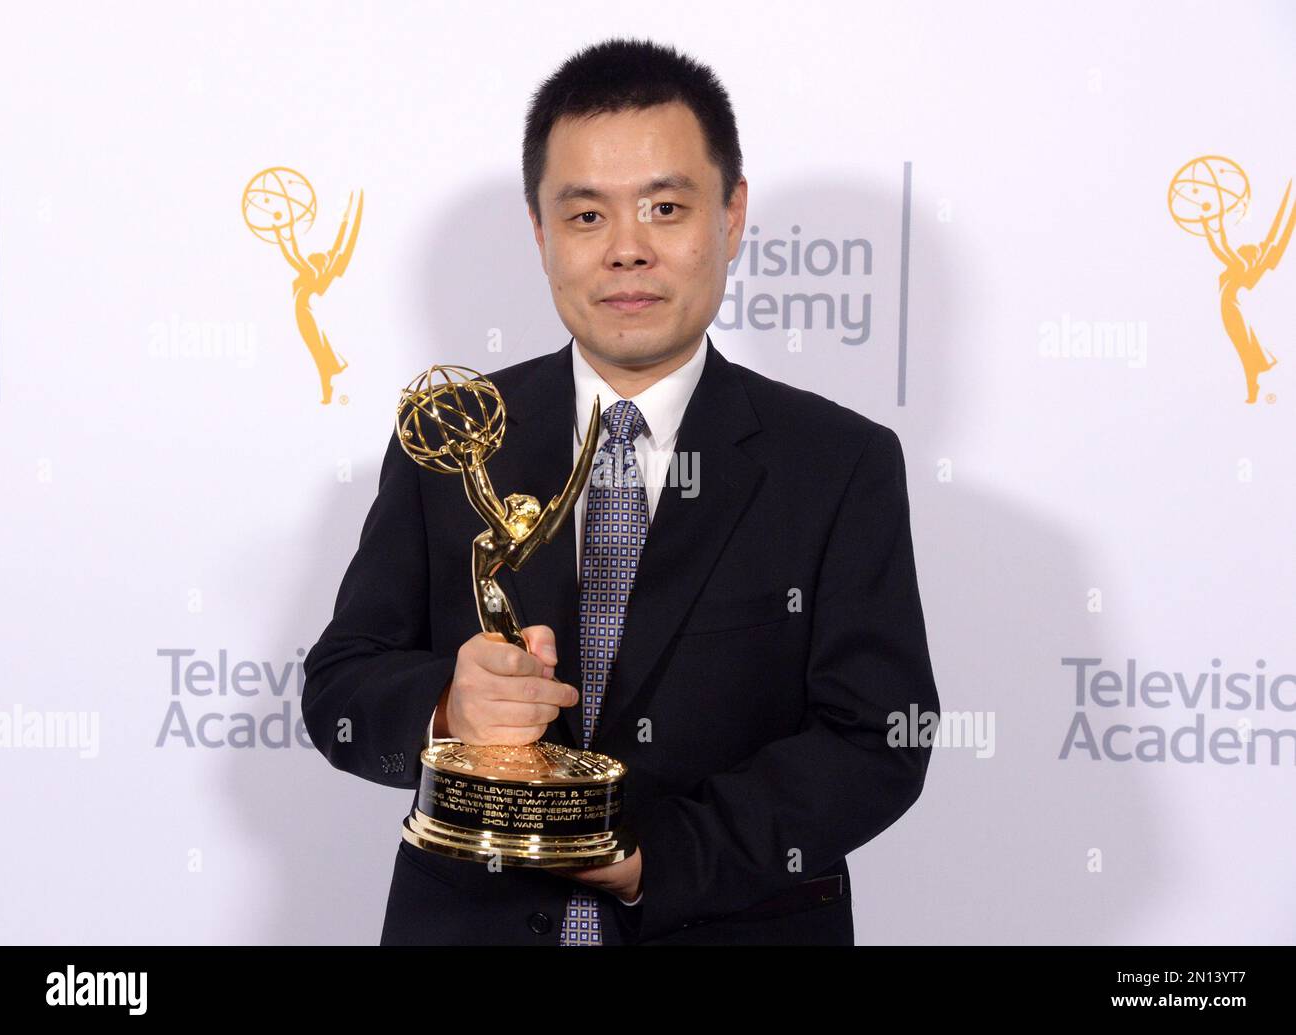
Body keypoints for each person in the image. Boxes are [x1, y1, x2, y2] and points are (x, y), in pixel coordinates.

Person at [302, 36, 940, 946]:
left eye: (666, 208)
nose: (628, 251)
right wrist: (447, 707)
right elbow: (340, 686)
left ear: (732, 216)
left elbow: (877, 739)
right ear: (541, 233)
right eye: (587, 215)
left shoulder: (839, 464)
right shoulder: (454, 435)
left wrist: (650, 856)